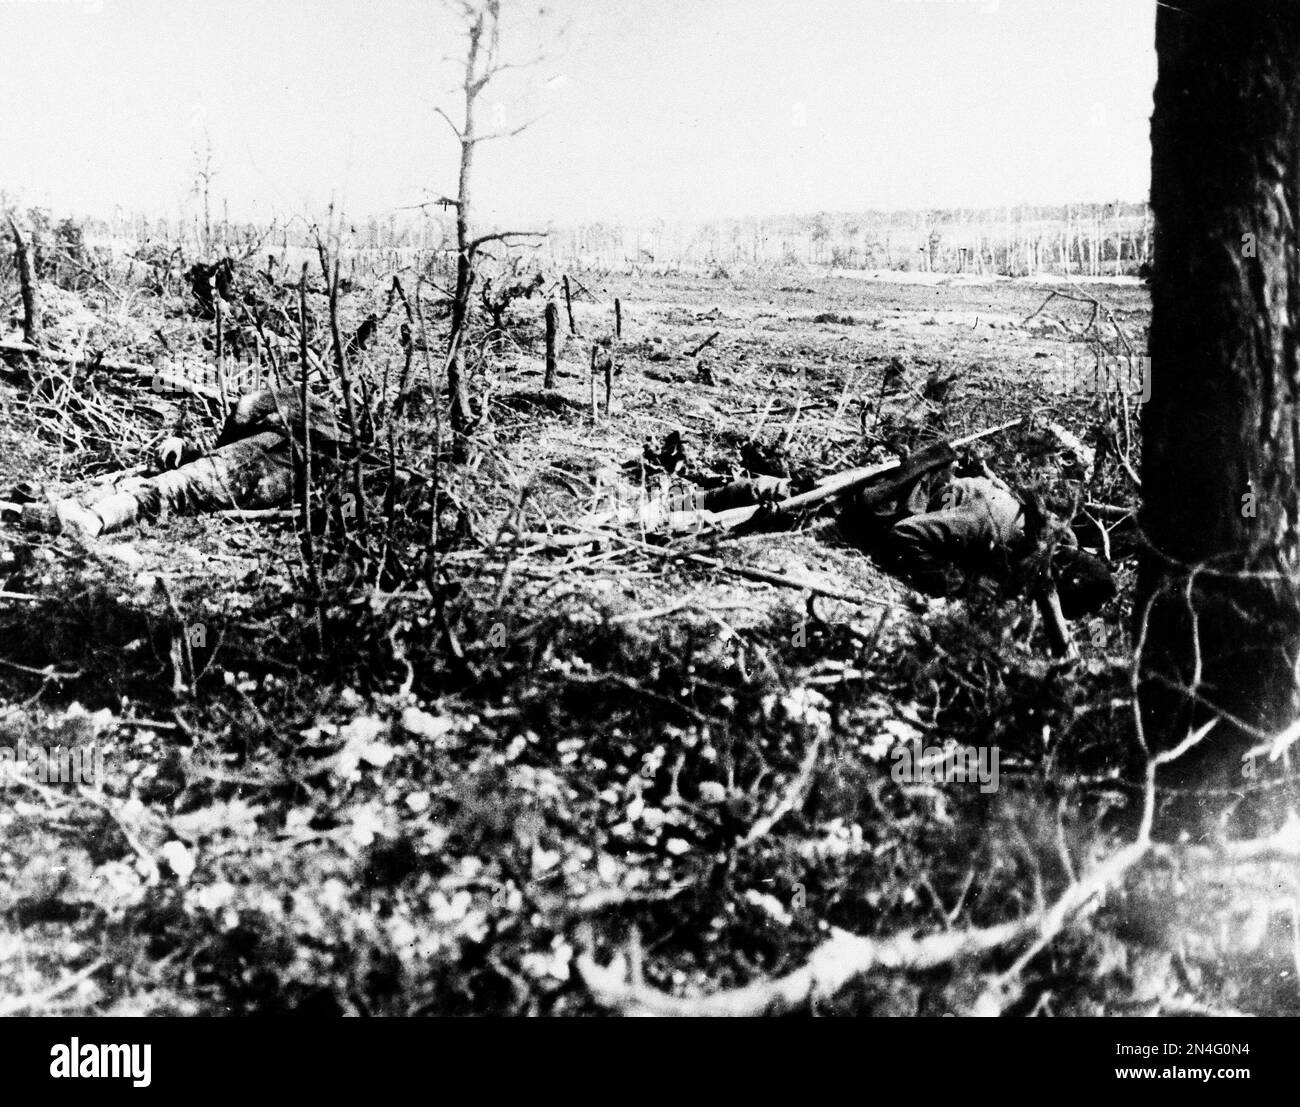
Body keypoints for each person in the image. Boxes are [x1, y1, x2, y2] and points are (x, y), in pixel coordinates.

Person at [2, 387, 345, 539]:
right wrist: (189, 449)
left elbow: (244, 409)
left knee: (167, 488)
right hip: (259, 486)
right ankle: (45, 510)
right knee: (170, 488)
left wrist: (209, 448)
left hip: (254, 464)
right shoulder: (329, 459)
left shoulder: (301, 413)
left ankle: (89, 519)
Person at [841, 457, 1116, 618]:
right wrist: (954, 583)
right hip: (923, 505)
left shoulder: (1060, 541)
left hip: (962, 515)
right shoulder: (989, 526)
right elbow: (905, 534)